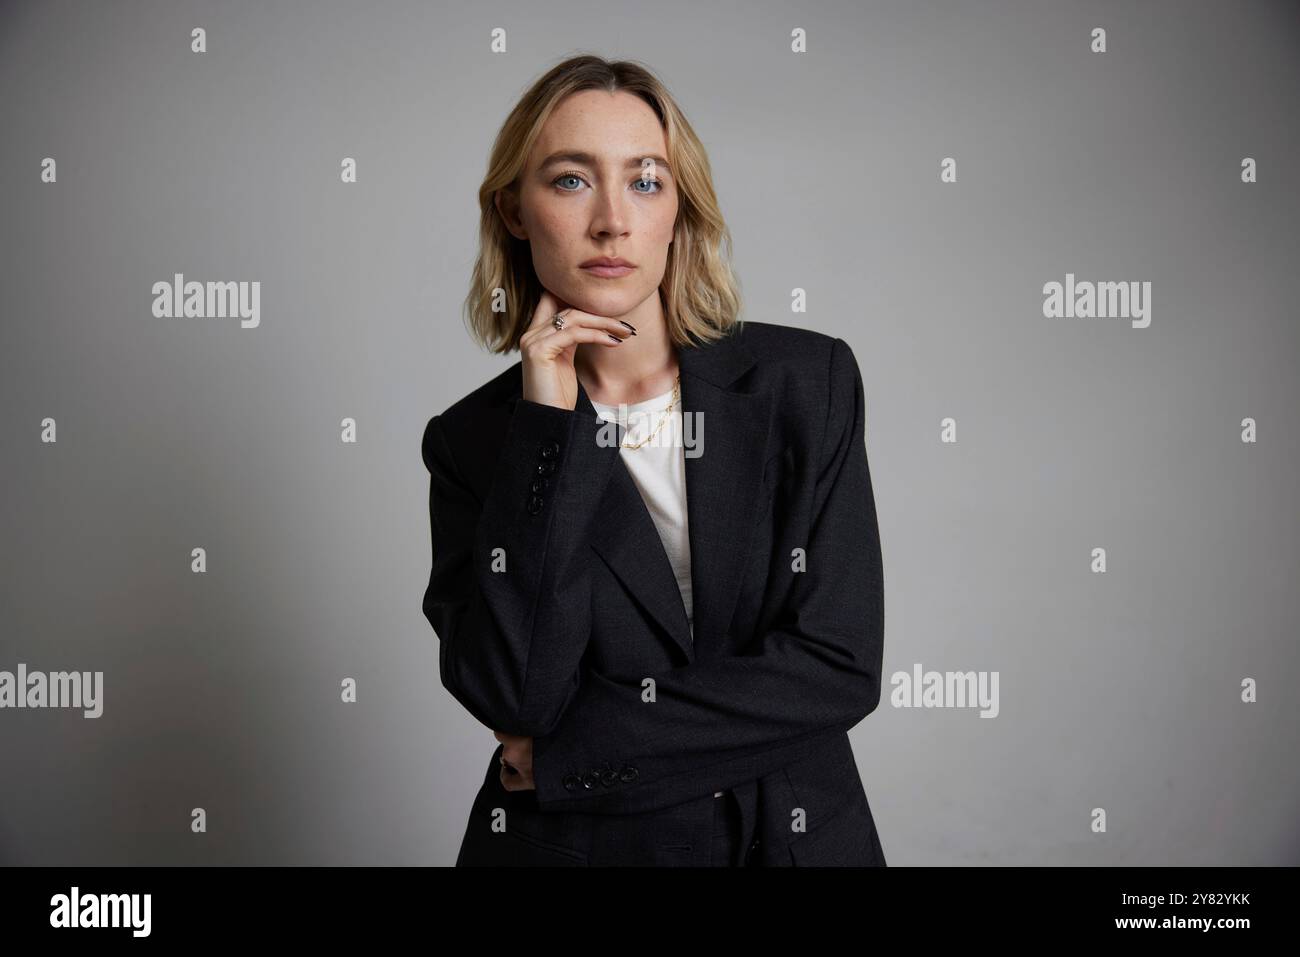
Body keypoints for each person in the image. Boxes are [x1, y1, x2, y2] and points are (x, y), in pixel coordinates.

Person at [421, 54, 887, 866]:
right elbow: (515, 692)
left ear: (680, 208)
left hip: (796, 838)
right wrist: (547, 425)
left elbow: (835, 667)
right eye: (570, 181)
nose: (612, 221)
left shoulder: (804, 385)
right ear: (516, 210)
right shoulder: (476, 442)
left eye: (644, 181)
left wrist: (572, 752)